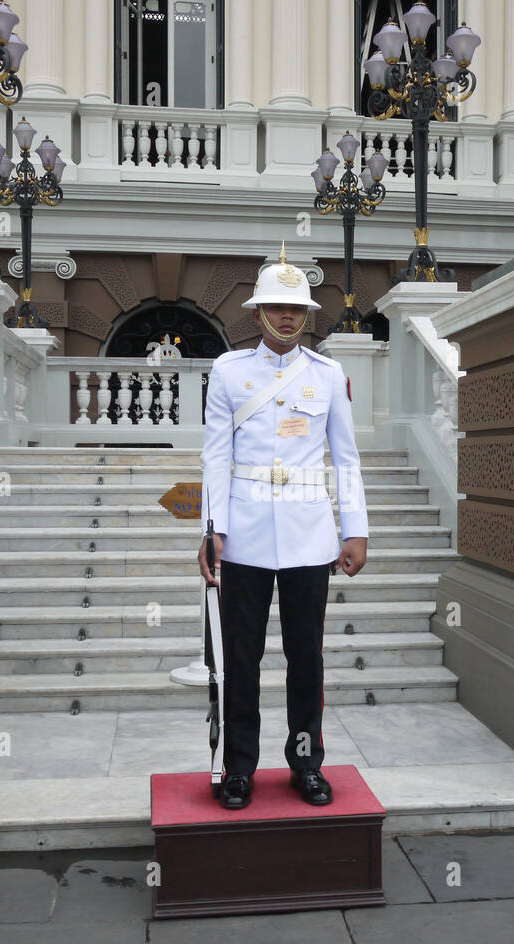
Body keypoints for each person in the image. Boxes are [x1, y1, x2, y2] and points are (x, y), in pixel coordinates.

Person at [196, 246, 369, 810]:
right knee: (241, 657)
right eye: (277, 306)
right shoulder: (228, 371)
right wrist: (212, 527)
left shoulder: (328, 374)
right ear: (257, 313)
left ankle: (306, 763)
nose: (289, 317)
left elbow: (345, 459)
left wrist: (354, 529)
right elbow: (214, 456)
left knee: (306, 659)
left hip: (308, 536)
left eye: (297, 309)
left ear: (307, 315)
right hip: (243, 534)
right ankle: (239, 768)